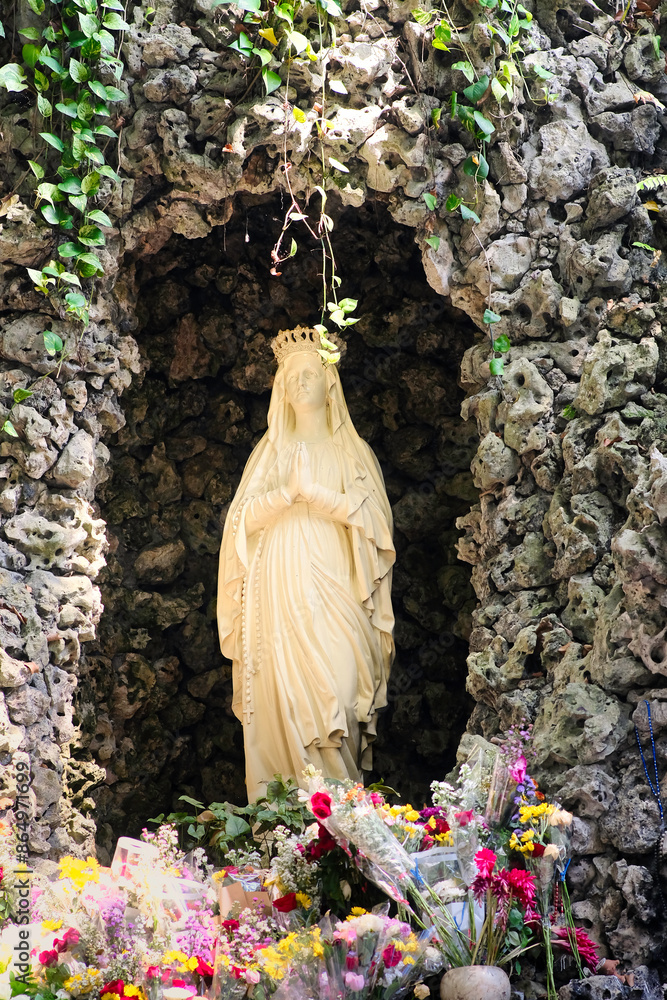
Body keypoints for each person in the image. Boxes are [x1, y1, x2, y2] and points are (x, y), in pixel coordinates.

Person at [217, 326, 395, 801]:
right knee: (284, 698)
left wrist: (317, 496)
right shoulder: (268, 454)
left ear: (329, 382)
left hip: (337, 585)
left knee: (337, 689)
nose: (299, 382)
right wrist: (284, 496)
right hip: (277, 588)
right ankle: (285, 821)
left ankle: (342, 817)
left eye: (310, 372)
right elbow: (241, 523)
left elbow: (376, 524)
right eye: (290, 375)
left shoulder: (351, 452)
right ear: (279, 388)